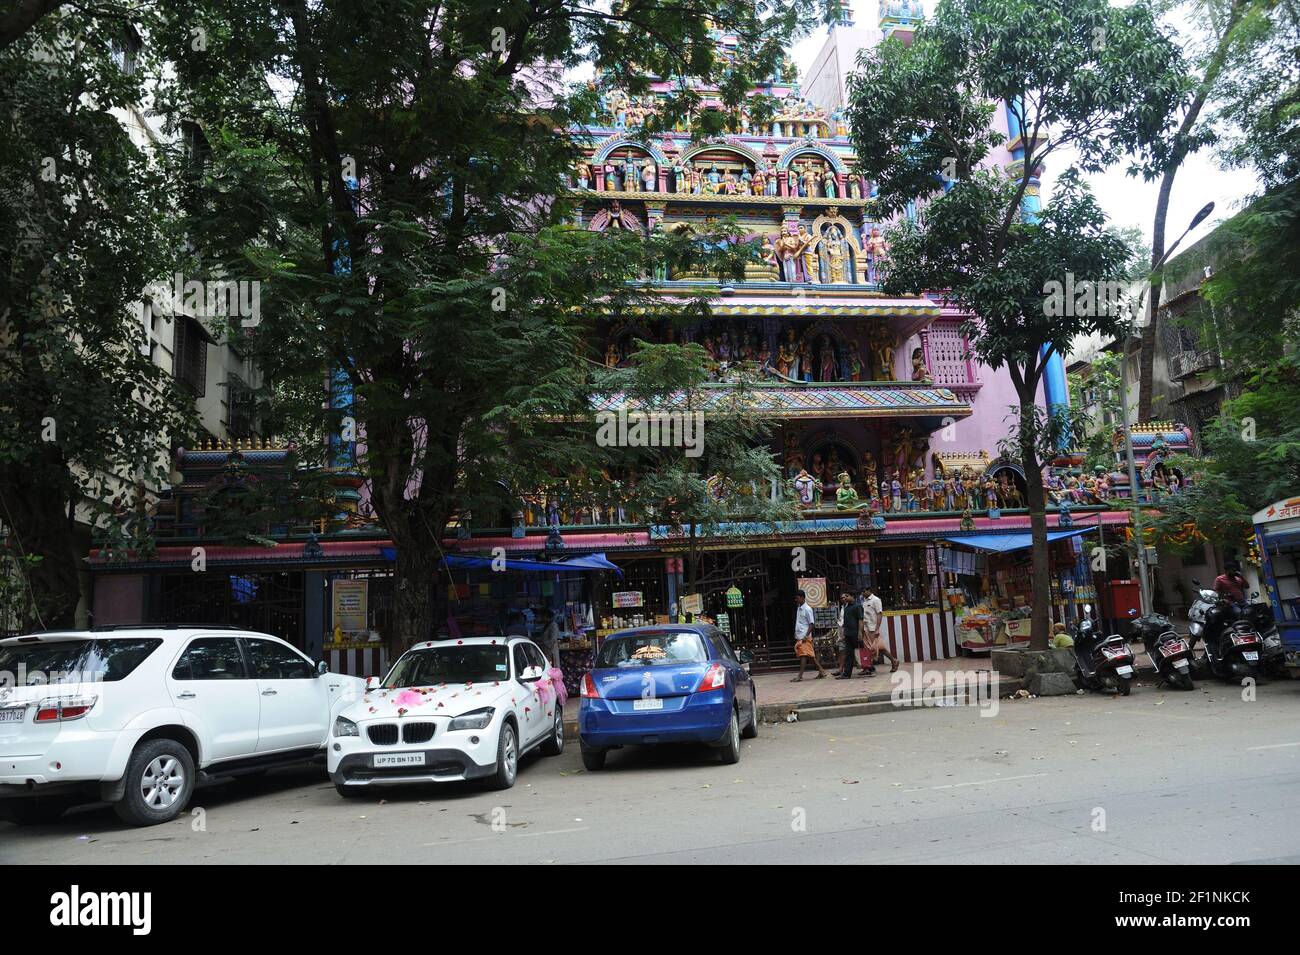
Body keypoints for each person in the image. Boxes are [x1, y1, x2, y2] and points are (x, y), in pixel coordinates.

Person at [860, 585, 898, 675]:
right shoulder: (864, 601)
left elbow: (879, 614)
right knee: (873, 648)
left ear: (869, 591)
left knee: (877, 648)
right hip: (866, 628)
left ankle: (893, 661)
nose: (862, 593)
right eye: (862, 592)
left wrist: (877, 628)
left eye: (864, 591)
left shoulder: (876, 600)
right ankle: (869, 667)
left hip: (873, 629)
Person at [791, 590, 827, 681]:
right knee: (810, 656)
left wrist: (806, 636)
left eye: (797, 598)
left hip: (804, 637)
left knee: (803, 656)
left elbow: (811, 624)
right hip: (800, 636)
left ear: (802, 598)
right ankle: (821, 671)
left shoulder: (807, 609)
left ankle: (800, 676)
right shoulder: (799, 608)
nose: (796, 600)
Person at [834, 591, 864, 679]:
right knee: (849, 654)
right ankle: (847, 674)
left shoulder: (857, 606)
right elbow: (845, 622)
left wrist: (860, 632)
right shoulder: (846, 607)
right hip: (848, 633)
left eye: (847, 596)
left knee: (861, 651)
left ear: (852, 596)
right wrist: (843, 632)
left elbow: (860, 620)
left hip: (855, 633)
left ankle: (869, 668)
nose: (845, 598)